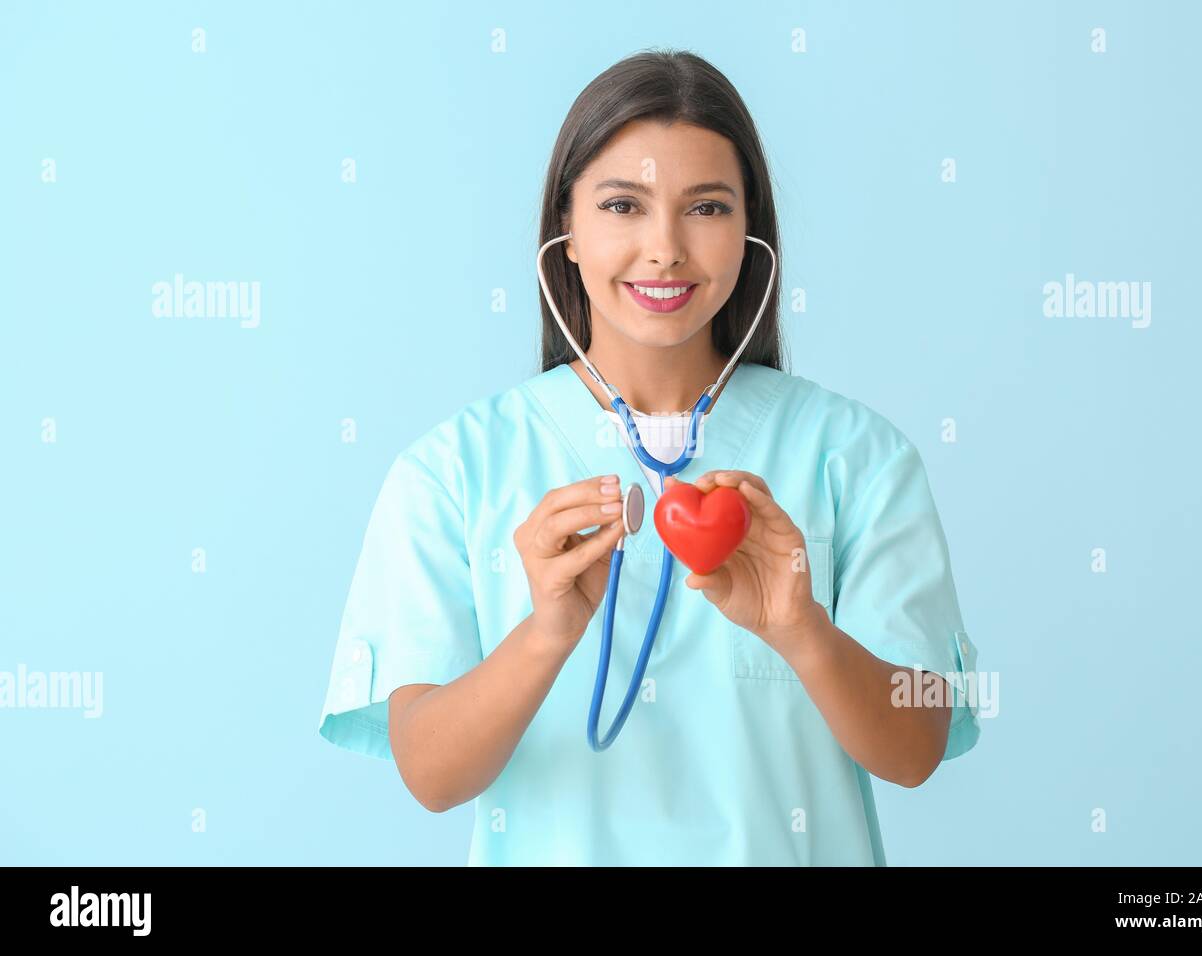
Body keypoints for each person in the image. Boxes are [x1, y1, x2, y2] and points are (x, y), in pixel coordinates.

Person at [317, 48, 980, 866]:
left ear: (750, 234)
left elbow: (915, 749)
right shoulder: (451, 472)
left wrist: (803, 631)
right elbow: (431, 773)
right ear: (566, 232)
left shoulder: (860, 459)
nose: (665, 249)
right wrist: (545, 633)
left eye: (705, 208)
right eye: (623, 205)